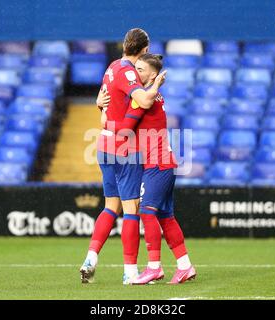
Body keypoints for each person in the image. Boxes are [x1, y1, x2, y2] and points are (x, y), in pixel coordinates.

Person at [100, 53, 196, 284]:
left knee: (146, 211)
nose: (136, 72)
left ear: (152, 74)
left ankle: (154, 267)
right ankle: (185, 266)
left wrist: (104, 113)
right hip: (165, 162)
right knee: (166, 217)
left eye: (141, 69)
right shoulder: (155, 95)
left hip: (156, 164)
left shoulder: (143, 99)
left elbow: (123, 129)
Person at [80, 28, 166, 284]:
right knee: (131, 209)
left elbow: (104, 101)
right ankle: (130, 272)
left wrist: (99, 104)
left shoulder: (111, 66)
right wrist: (157, 83)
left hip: (104, 145)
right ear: (145, 49)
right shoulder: (128, 71)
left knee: (110, 206)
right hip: (124, 148)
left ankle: (90, 259)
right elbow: (144, 100)